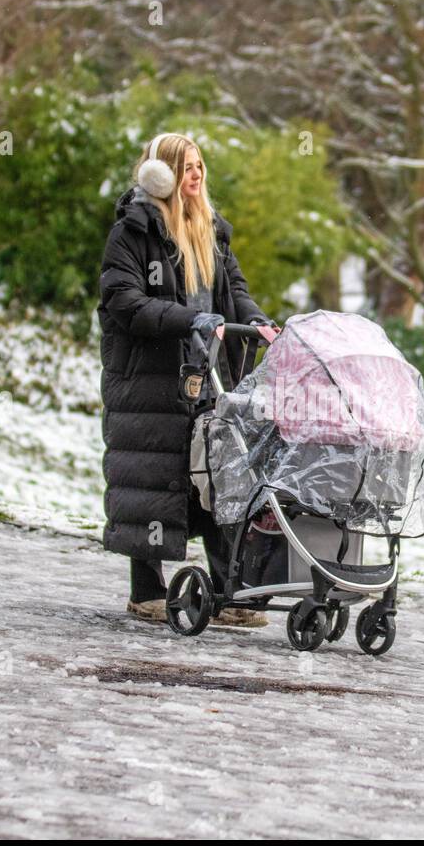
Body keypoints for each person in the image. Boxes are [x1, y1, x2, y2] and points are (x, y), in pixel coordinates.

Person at [97, 132, 276, 626]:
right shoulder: (133, 232)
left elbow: (233, 290)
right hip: (149, 379)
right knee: (152, 474)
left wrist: (257, 321)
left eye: (199, 166)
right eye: (186, 167)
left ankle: (227, 590)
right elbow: (125, 302)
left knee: (218, 475)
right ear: (162, 175)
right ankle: (147, 590)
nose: (196, 175)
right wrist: (186, 320)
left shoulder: (212, 229)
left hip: (205, 373)